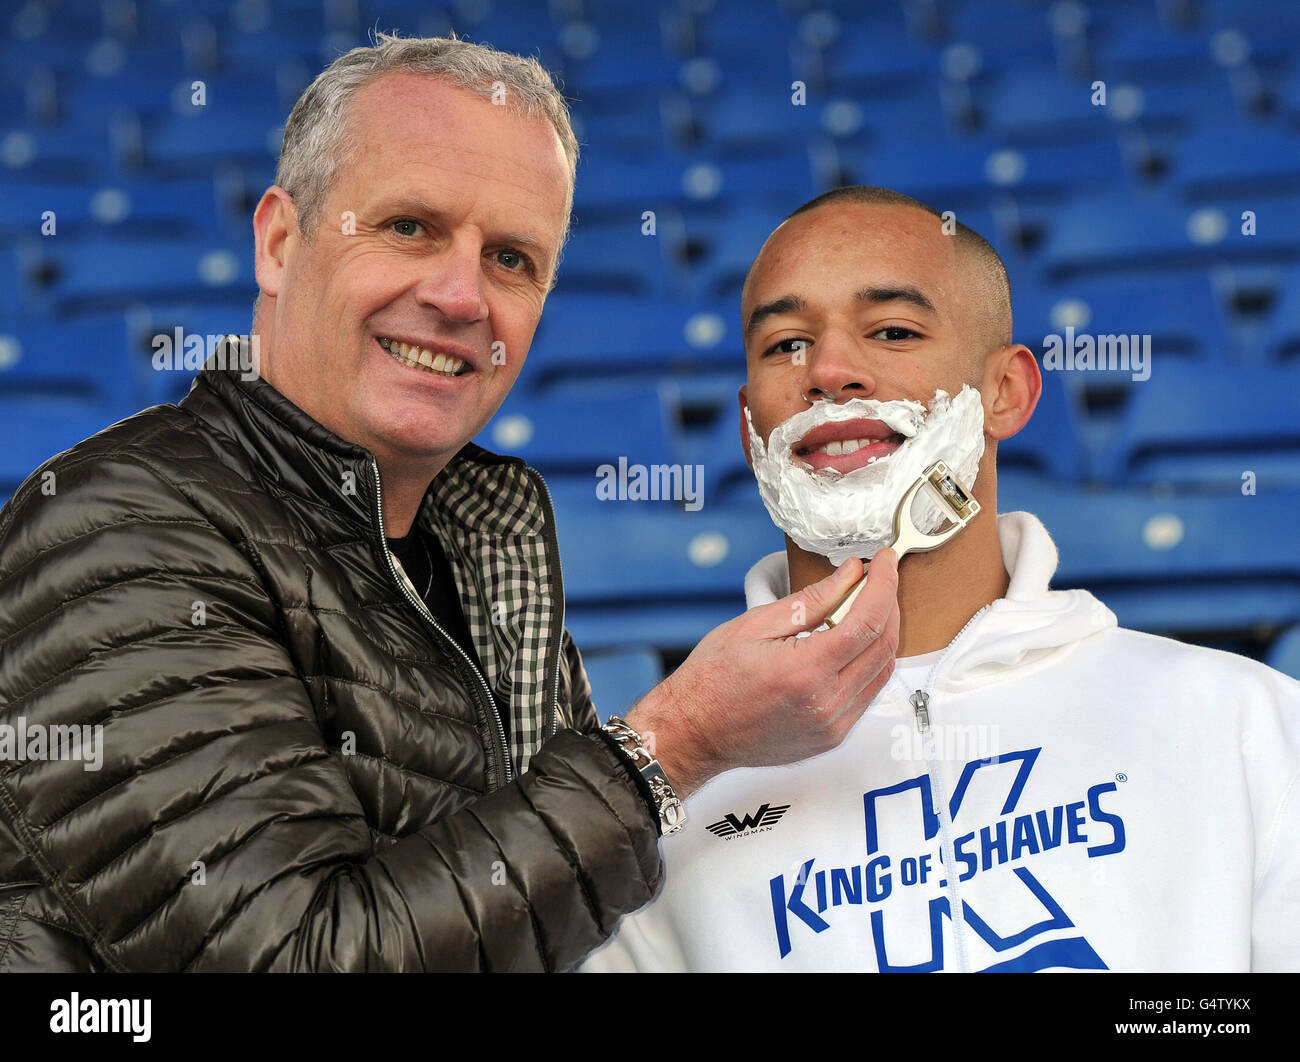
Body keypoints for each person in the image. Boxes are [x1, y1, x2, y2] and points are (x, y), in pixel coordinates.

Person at [0, 37, 901, 972]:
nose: (462, 295)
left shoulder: (484, 536)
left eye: (512, 258)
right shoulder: (114, 529)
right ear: (278, 241)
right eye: (408, 228)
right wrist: (670, 748)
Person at [580, 186, 1300, 972]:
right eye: (786, 343)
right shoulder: (659, 794)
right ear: (752, 430)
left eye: (891, 330)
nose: (827, 371)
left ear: (1008, 393)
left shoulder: (1239, 721)